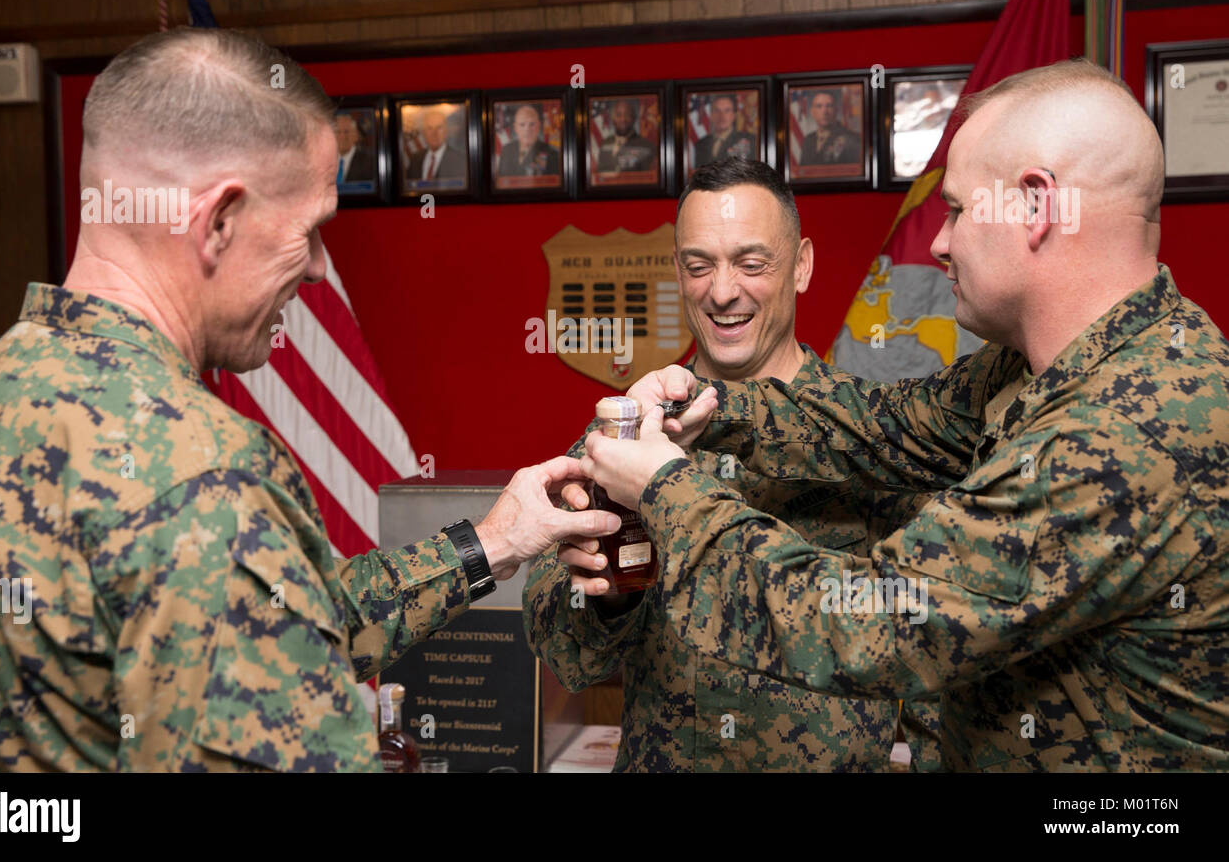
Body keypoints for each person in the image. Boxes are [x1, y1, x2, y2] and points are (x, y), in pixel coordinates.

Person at [0, 27, 619, 772]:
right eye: (312, 230)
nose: (321, 269)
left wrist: (496, 541)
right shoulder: (204, 471)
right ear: (218, 220)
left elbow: (296, 616)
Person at [583, 58, 1229, 770]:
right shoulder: (1042, 368)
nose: (939, 242)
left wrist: (667, 488)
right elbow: (880, 425)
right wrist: (710, 406)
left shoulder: (1124, 430)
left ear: (1036, 206)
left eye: (955, 209)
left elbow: (864, 623)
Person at [524, 158, 1014, 771]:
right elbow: (562, 653)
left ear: (801, 265)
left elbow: (932, 666)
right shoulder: (627, 435)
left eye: (752, 264)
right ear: (679, 271)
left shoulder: (878, 442)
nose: (723, 291)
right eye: (699, 266)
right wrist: (611, 598)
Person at [692, 93, 756, 170]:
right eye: (717, 110)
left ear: (734, 115)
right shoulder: (701, 144)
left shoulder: (751, 140)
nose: (722, 116)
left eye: (727, 110)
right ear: (711, 115)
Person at [799, 90, 861, 166]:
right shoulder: (807, 140)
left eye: (829, 106)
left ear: (836, 110)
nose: (824, 111)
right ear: (812, 112)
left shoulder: (852, 139)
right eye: (819, 106)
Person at [497, 103, 559, 179]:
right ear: (515, 128)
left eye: (532, 124)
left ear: (539, 126)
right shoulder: (506, 150)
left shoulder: (552, 154)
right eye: (522, 124)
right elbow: (500, 180)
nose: (527, 129)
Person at [407, 106, 467, 183]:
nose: (434, 133)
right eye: (430, 128)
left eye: (439, 128)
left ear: (446, 131)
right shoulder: (415, 159)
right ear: (424, 132)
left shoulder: (460, 161)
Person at [596, 98, 655, 174]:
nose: (623, 119)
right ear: (613, 119)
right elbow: (600, 174)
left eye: (627, 114)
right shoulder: (605, 144)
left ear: (634, 118)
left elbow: (648, 179)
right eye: (618, 115)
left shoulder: (647, 146)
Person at [333, 112, 372, 188]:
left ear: (356, 136)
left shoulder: (370, 161)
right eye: (338, 132)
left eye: (346, 132)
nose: (342, 136)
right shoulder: (325, 160)